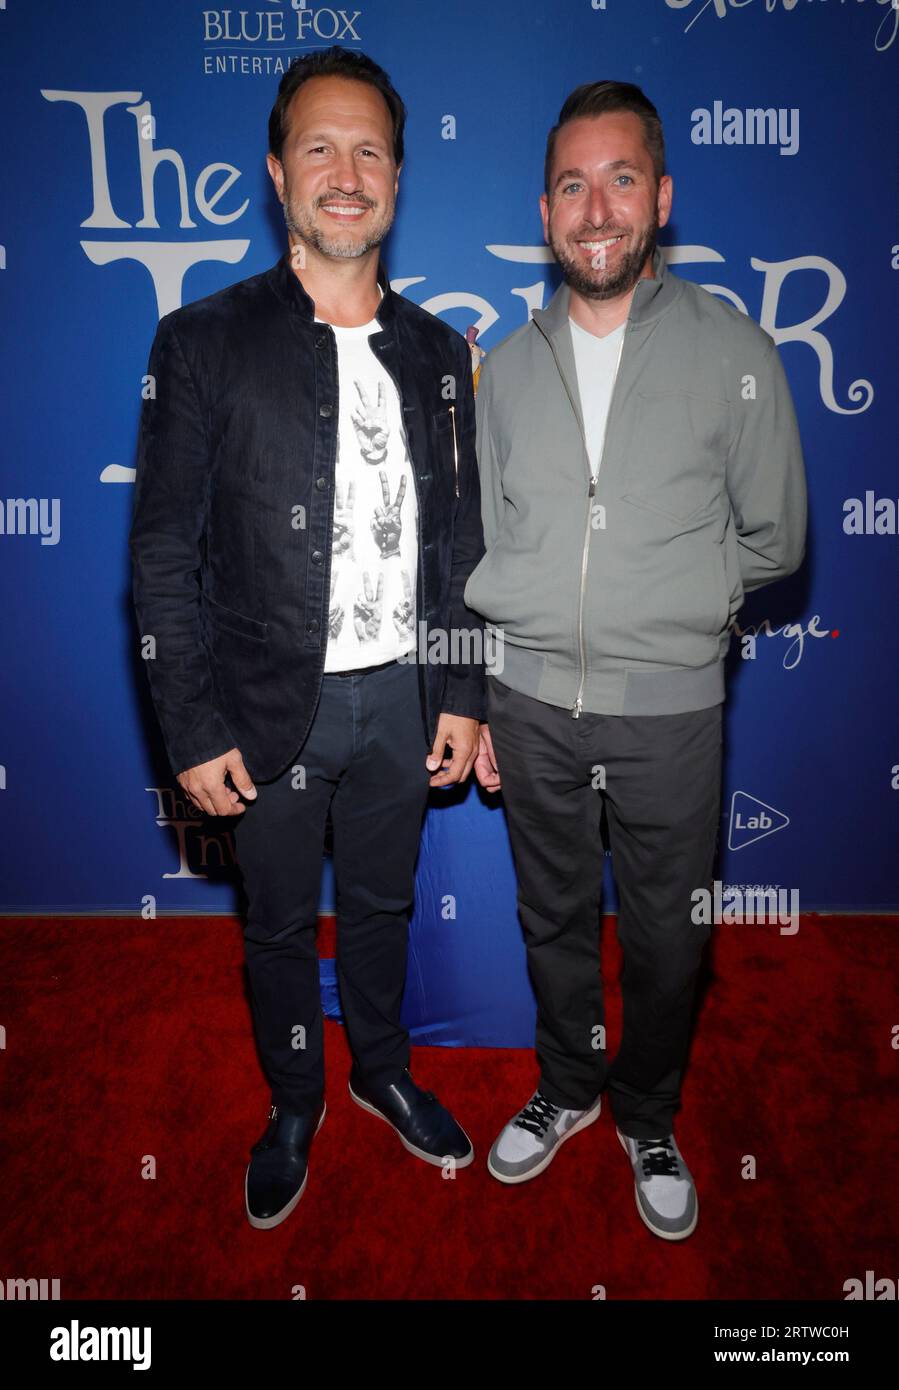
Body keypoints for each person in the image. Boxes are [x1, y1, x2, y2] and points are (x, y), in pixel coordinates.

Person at [129, 47, 487, 1230]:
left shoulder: (439, 357)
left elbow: (463, 553)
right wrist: (188, 724)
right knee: (277, 926)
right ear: (280, 174)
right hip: (261, 704)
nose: (347, 172)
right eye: (320, 149)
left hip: (401, 702)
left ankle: (380, 1069)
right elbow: (161, 558)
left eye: (370, 149)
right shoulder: (202, 343)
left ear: (396, 175)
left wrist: (465, 692)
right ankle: (296, 1101)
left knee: (382, 907)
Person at [467, 80, 807, 1240]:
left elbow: (775, 536)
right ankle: (568, 1085)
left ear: (658, 197)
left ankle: (645, 1112)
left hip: (670, 713)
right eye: (571, 184)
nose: (595, 206)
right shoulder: (502, 372)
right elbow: (491, 539)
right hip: (529, 705)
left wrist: (681, 608)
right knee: (550, 916)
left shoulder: (733, 349)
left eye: (620, 179)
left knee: (669, 935)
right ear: (546, 209)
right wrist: (507, 672)